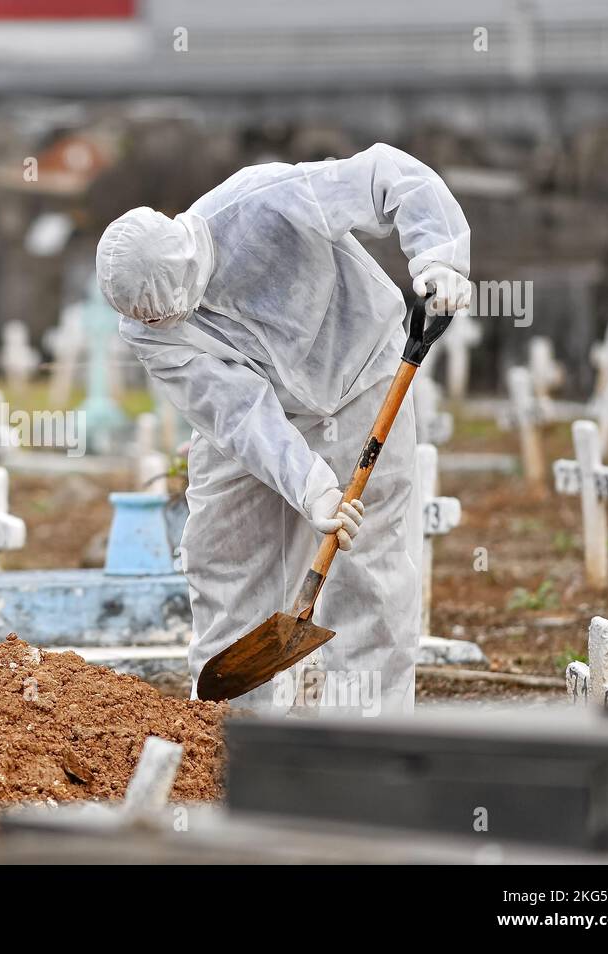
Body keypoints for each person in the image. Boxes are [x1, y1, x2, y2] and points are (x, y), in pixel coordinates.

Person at [96, 143, 471, 716]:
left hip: (361, 378)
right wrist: (313, 489)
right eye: (147, 319)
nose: (158, 324)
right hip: (255, 419)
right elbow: (240, 415)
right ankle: (230, 733)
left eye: (164, 311)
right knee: (221, 556)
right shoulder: (146, 327)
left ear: (182, 264)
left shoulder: (263, 201)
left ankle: (368, 735)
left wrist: (438, 257)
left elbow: (387, 175)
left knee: (367, 568)